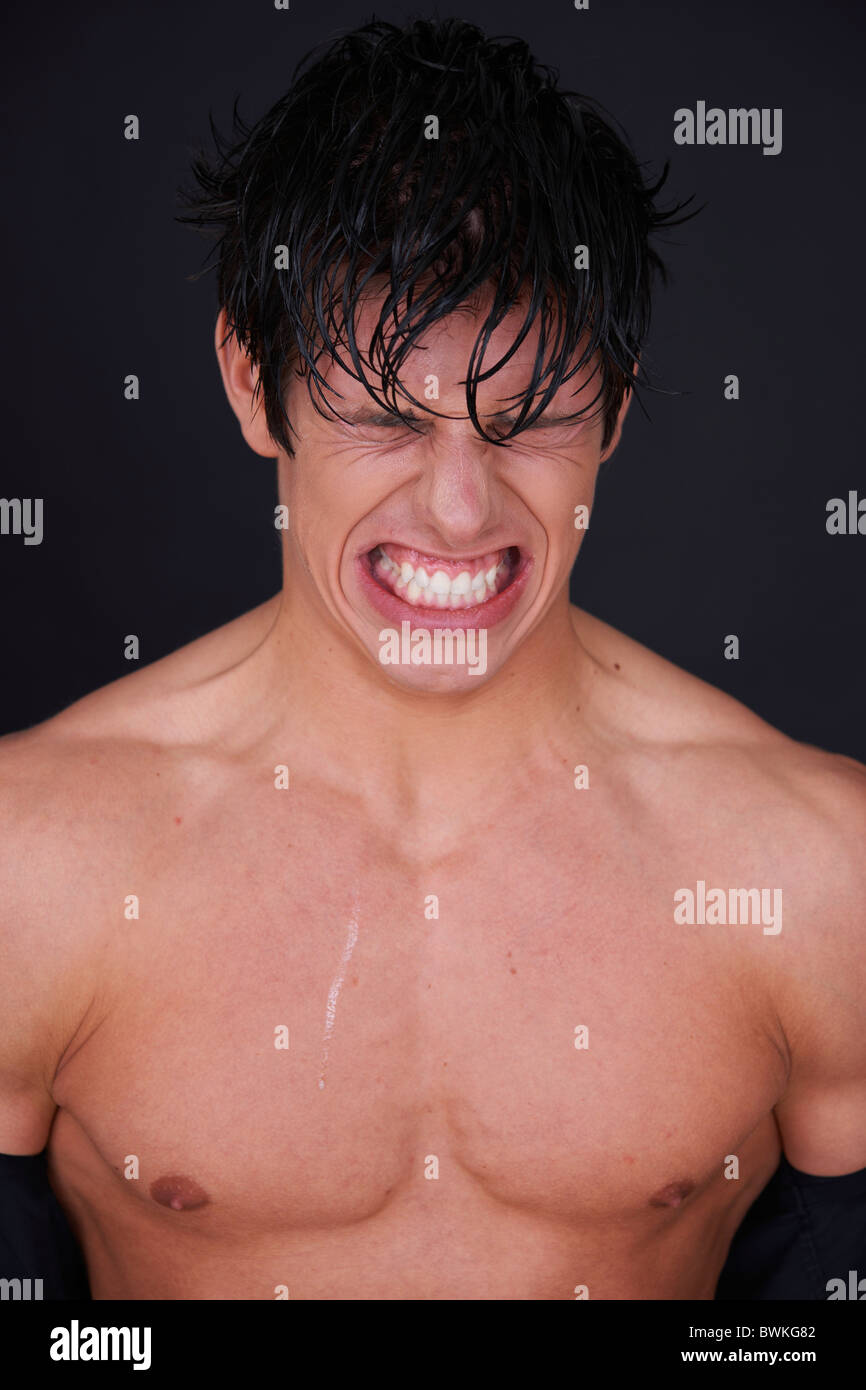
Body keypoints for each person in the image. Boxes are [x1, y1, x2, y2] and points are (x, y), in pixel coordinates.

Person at [1, 17, 863, 1301]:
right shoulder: (32, 862)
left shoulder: (814, 870)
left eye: (526, 415)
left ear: (616, 406)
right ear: (253, 383)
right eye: (379, 415)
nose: (460, 509)